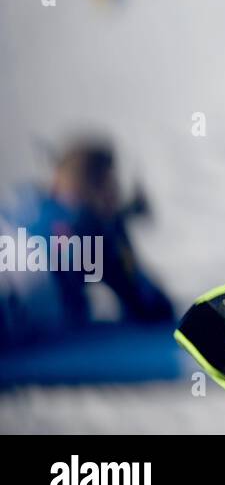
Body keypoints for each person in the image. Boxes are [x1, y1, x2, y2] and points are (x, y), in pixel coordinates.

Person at [1, 136, 172, 344]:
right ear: (106, 187)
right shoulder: (93, 228)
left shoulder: (22, 197)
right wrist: (116, 230)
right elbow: (153, 306)